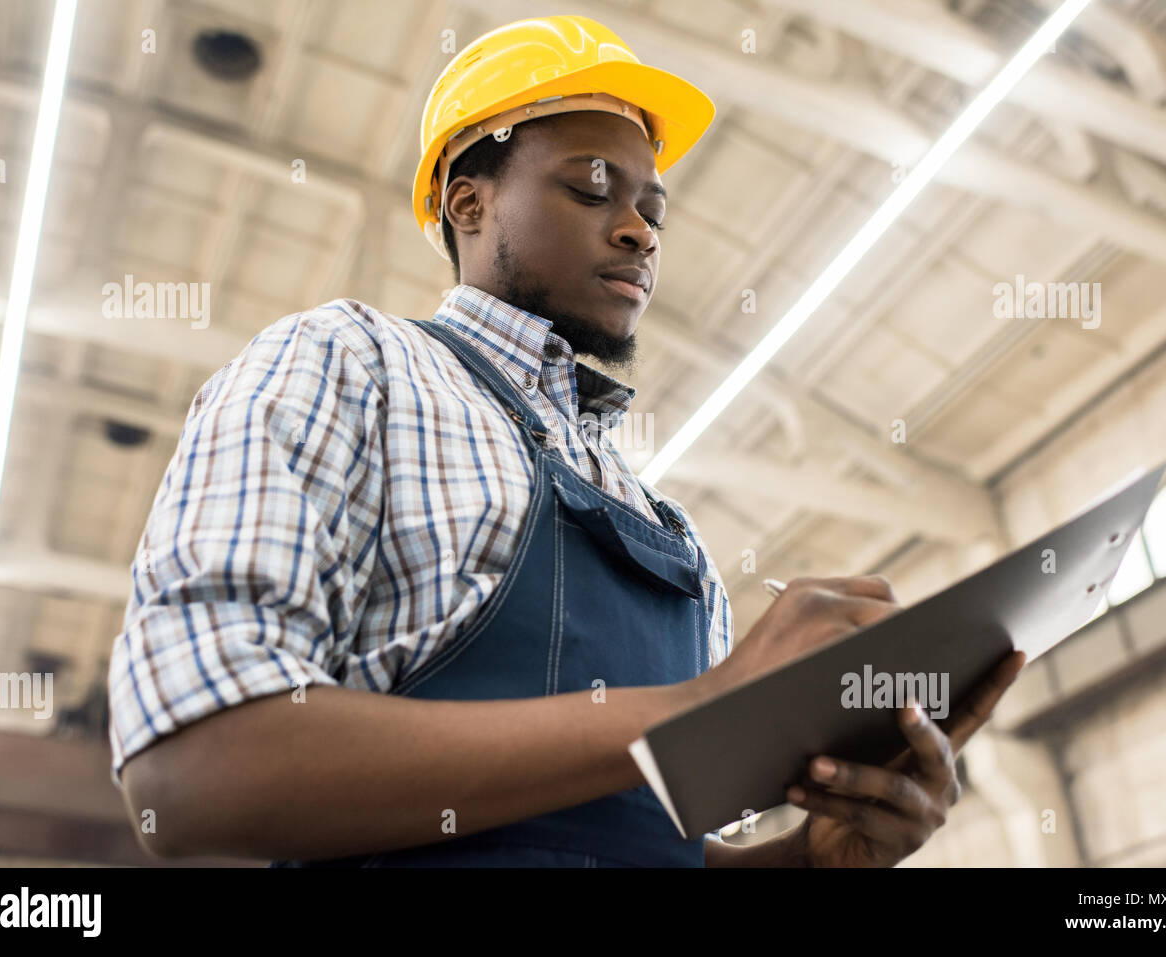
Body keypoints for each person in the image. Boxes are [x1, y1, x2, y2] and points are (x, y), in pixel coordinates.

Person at [108, 14, 1024, 868]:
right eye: (590, 188)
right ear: (467, 204)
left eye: (653, 213)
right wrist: (698, 705)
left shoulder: (667, 526)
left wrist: (801, 858)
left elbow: (634, 836)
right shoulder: (349, 364)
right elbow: (192, 766)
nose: (636, 230)